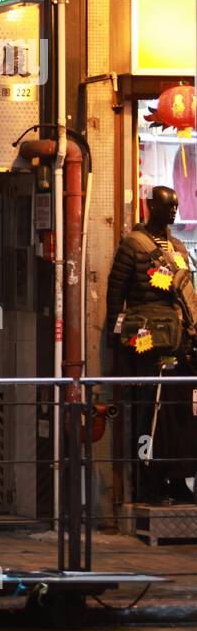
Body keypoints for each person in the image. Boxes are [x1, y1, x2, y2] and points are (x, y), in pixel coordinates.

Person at [107, 186, 197, 504]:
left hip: (177, 342)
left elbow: (187, 295)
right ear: (149, 206)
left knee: (176, 414)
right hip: (145, 340)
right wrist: (112, 334)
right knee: (147, 409)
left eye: (175, 205)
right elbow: (116, 292)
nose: (172, 210)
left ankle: (174, 476)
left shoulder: (178, 248)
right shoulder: (134, 245)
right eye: (166, 204)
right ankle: (149, 481)